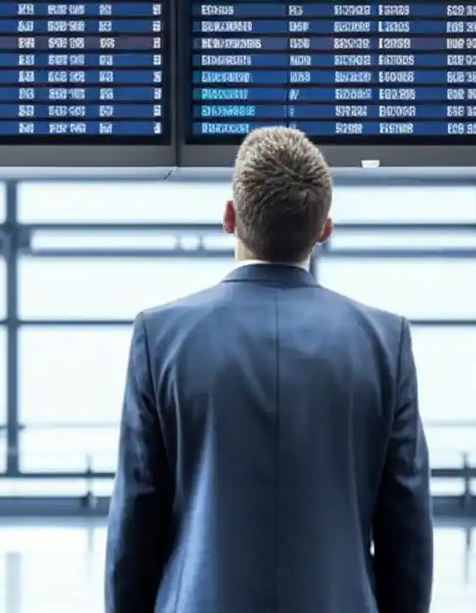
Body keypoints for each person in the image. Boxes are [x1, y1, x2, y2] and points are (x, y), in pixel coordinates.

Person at [105, 127, 433, 613]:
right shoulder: (385, 342)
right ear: (325, 229)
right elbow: (406, 531)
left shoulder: (161, 336)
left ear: (229, 217)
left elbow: (136, 522)